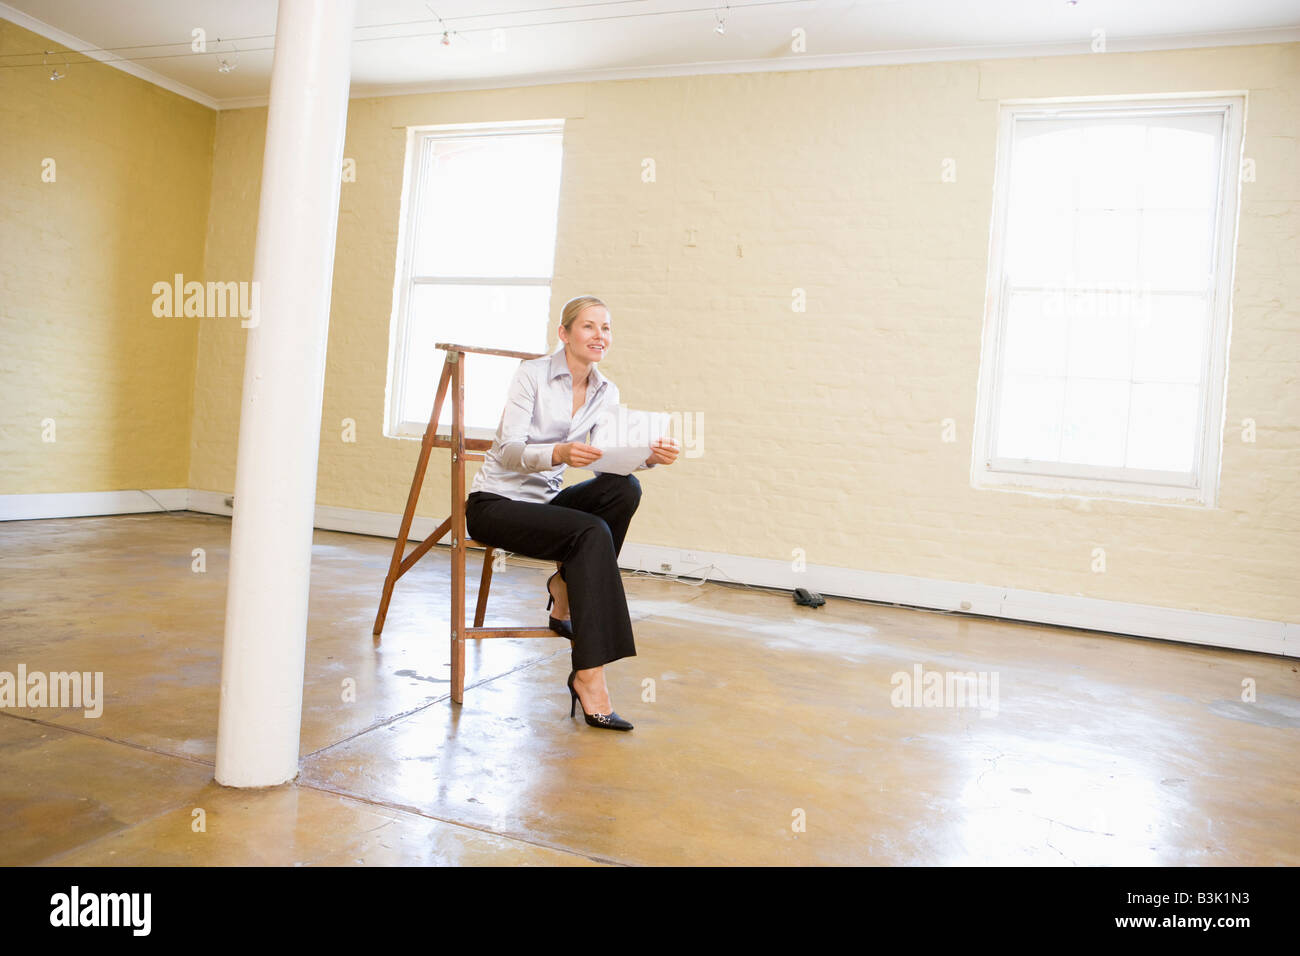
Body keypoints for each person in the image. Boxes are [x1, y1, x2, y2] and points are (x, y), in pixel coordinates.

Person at [465, 295, 680, 731]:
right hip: (497, 505)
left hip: (545, 506)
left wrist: (651, 457)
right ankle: (590, 677)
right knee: (591, 533)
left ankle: (563, 585)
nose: (600, 335)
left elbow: (608, 459)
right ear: (564, 333)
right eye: (589, 326)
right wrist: (558, 452)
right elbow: (507, 451)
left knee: (624, 489)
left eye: (606, 328)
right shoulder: (532, 376)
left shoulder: (607, 390)